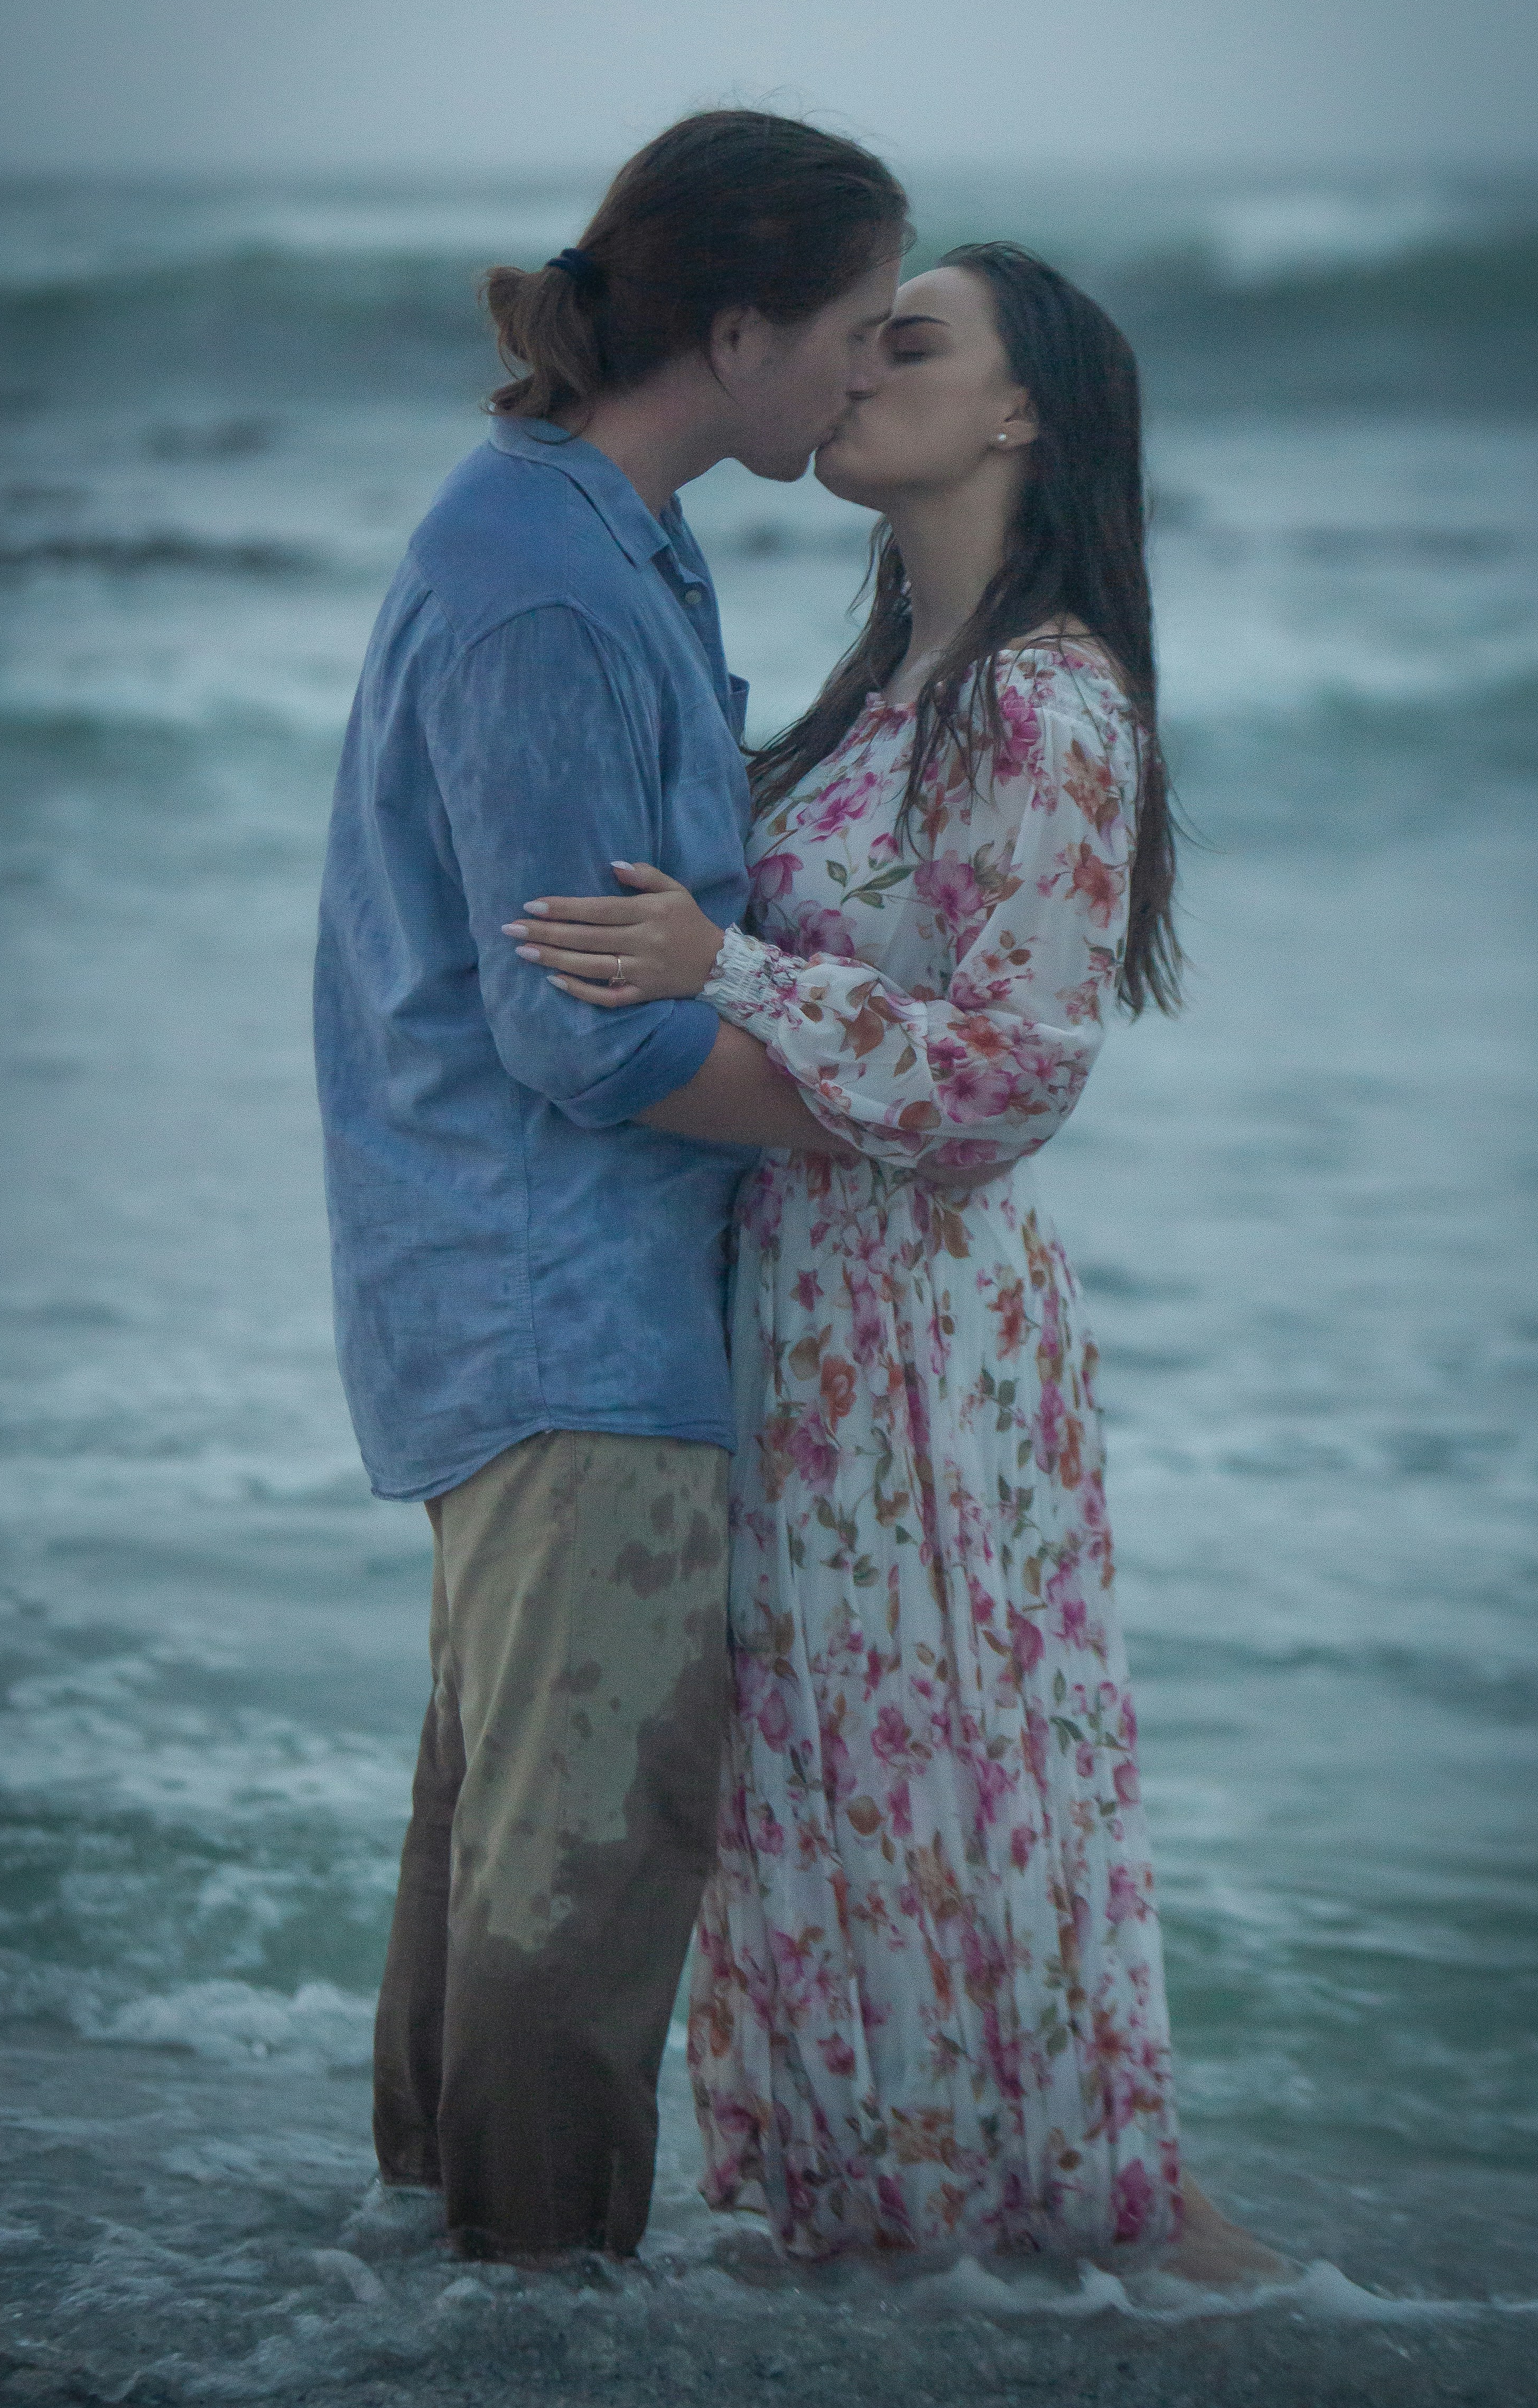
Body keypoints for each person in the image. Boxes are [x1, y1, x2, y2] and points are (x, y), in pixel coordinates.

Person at [509, 244, 1291, 2282]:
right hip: (793, 1309)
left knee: (958, 1771)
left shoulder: (1052, 698)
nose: (861, 367)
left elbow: (1021, 1077)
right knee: (830, 1784)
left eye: (910, 341)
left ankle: (1105, 2230)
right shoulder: (879, 696)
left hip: (927, 1334)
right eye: (861, 332)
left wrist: (725, 963)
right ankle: (892, 2240)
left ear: (1022, 415)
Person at [314, 109, 906, 2264]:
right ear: (736, 328)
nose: (861, 376)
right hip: (568, 1318)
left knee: (502, 1863)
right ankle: (530, 2330)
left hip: (534, 1302)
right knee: (577, 1890)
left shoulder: (603, 534)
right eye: (851, 332)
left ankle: (424, 2309)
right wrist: (893, 1101)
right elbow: (586, 1029)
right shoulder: (552, 582)